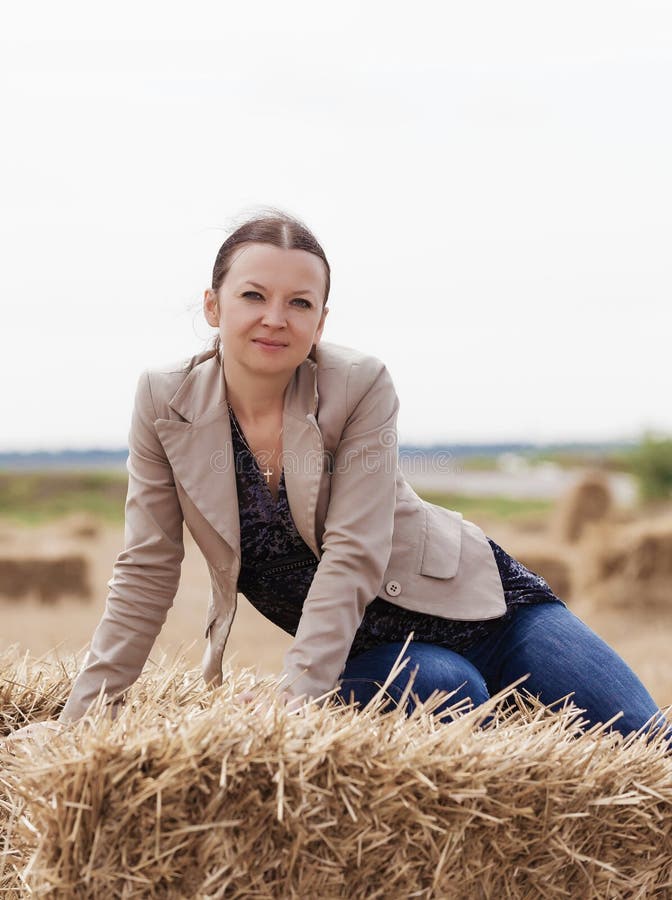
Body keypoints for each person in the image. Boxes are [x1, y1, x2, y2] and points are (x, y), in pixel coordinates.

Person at [5, 209, 671, 752]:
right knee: (453, 696)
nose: (276, 317)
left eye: (300, 302)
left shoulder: (357, 384)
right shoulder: (164, 401)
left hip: (489, 609)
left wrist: (292, 698)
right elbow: (147, 568)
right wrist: (81, 724)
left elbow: (353, 550)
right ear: (212, 305)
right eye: (253, 295)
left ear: (320, 321)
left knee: (650, 748)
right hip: (369, 649)